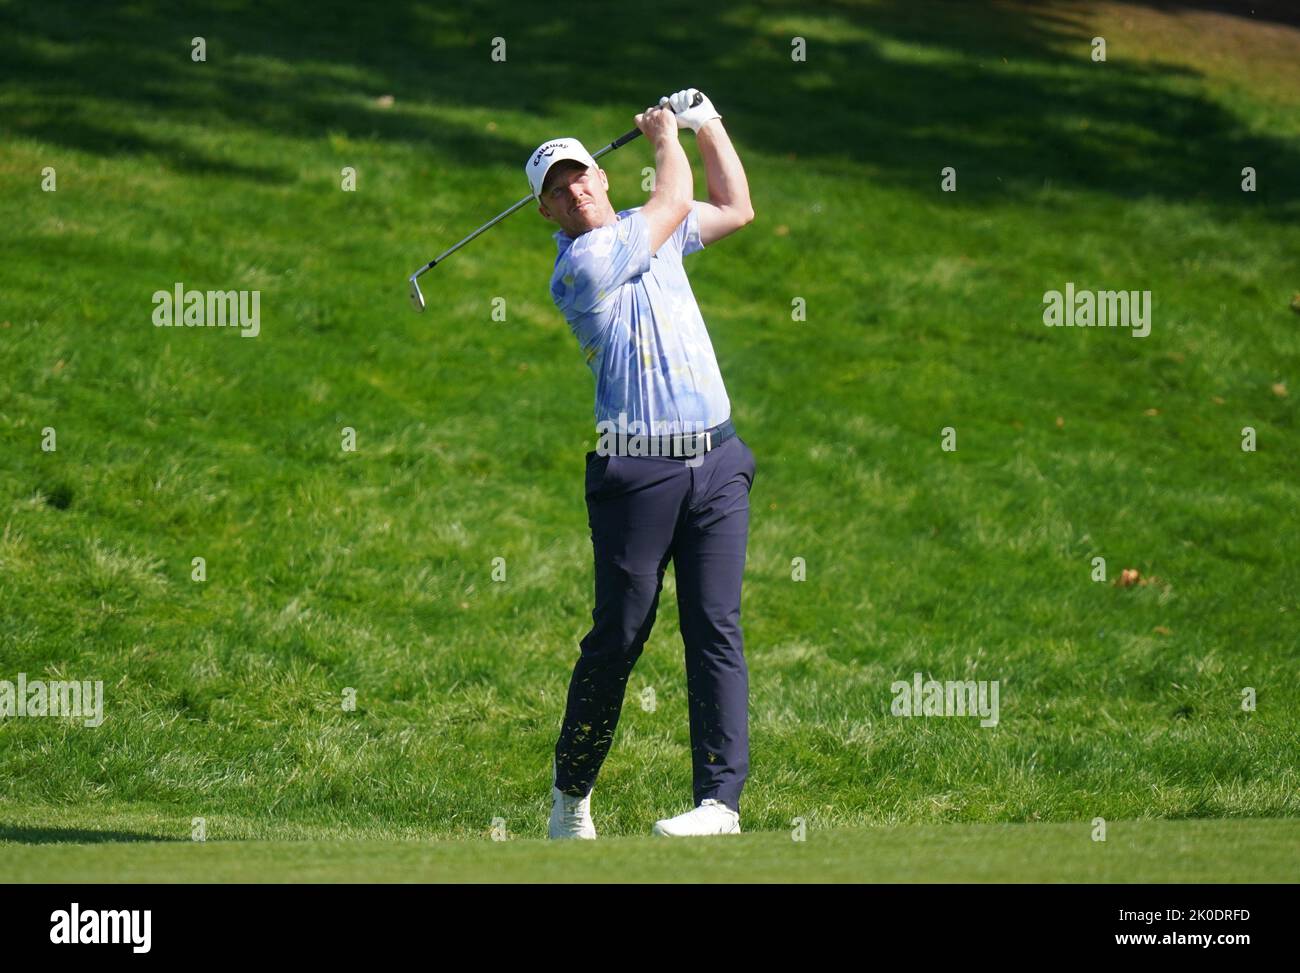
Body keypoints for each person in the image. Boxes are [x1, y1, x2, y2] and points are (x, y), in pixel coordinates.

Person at [524, 88, 757, 838]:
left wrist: (709, 122)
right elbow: (678, 191)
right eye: (558, 189)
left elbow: (733, 206)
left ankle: (719, 804)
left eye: (582, 174)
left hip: (716, 462)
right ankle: (571, 795)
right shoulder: (583, 265)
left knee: (715, 627)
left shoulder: (643, 230)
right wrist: (665, 134)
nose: (576, 189)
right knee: (619, 636)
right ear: (548, 215)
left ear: (603, 178)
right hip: (636, 475)